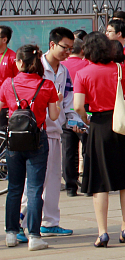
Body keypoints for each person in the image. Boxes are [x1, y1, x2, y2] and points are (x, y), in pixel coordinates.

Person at [73, 33, 125, 247]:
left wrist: (87, 119)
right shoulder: (120, 69)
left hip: (100, 125)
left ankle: (103, 232)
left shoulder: (83, 73)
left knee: (99, 182)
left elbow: (78, 105)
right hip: (122, 123)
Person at [3, 44, 60, 251]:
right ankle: (35, 236)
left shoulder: (8, 84)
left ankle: (11, 233)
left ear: (19, 62)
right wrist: (58, 102)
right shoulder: (46, 85)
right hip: (37, 140)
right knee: (35, 189)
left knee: (14, 188)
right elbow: (54, 116)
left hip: (14, 141)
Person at [31, 28, 75, 238]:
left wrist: (71, 120)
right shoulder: (36, 66)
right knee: (33, 181)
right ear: (52, 45)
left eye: (71, 49)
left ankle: (49, 222)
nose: (68, 52)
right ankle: (25, 221)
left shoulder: (63, 71)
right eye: (65, 48)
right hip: (36, 132)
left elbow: (67, 100)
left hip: (56, 131)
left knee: (54, 179)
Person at [61, 32, 89, 198]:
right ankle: (87, 185)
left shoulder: (62, 66)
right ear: (82, 51)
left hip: (66, 113)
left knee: (68, 151)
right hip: (84, 111)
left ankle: (71, 187)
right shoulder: (86, 66)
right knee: (87, 150)